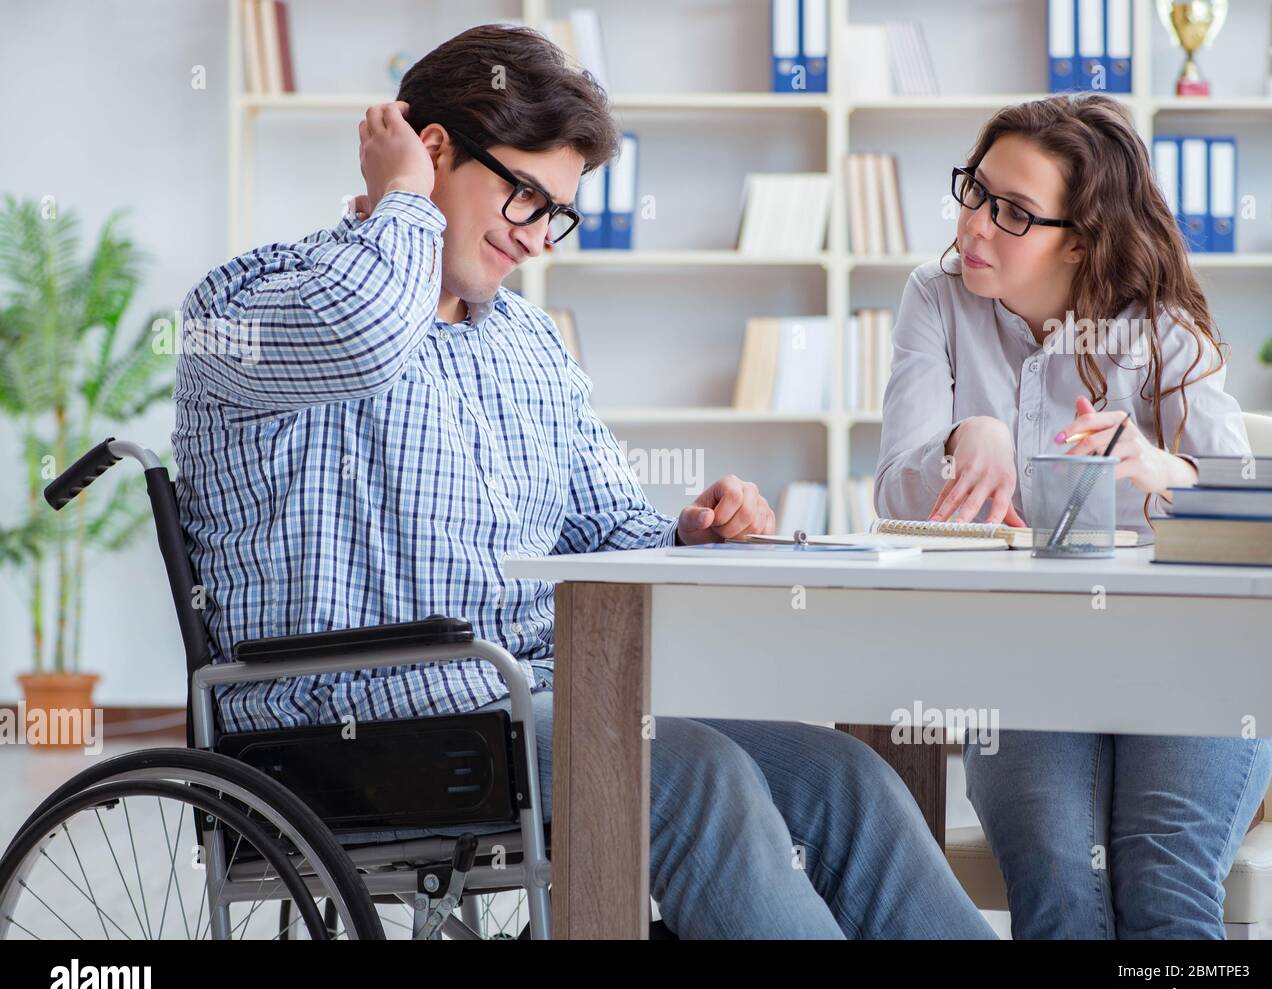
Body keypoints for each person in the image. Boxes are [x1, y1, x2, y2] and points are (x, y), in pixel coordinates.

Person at [173, 23, 995, 939]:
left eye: (553, 212)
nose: (535, 238)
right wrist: (399, 196)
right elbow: (364, 336)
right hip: (342, 728)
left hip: (521, 703)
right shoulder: (248, 302)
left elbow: (606, 527)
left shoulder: (526, 341)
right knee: (689, 772)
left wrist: (691, 532)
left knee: (847, 781)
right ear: (432, 148)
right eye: (522, 196)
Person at [875, 92, 1272, 939]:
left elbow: (1257, 513)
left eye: (1014, 213)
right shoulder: (936, 299)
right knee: (1058, 888)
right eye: (975, 192)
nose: (974, 226)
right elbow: (894, 496)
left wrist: (1162, 468)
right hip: (1027, 669)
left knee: (1162, 890)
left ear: (1082, 238)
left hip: (1194, 666)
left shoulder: (1161, 329)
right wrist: (962, 437)